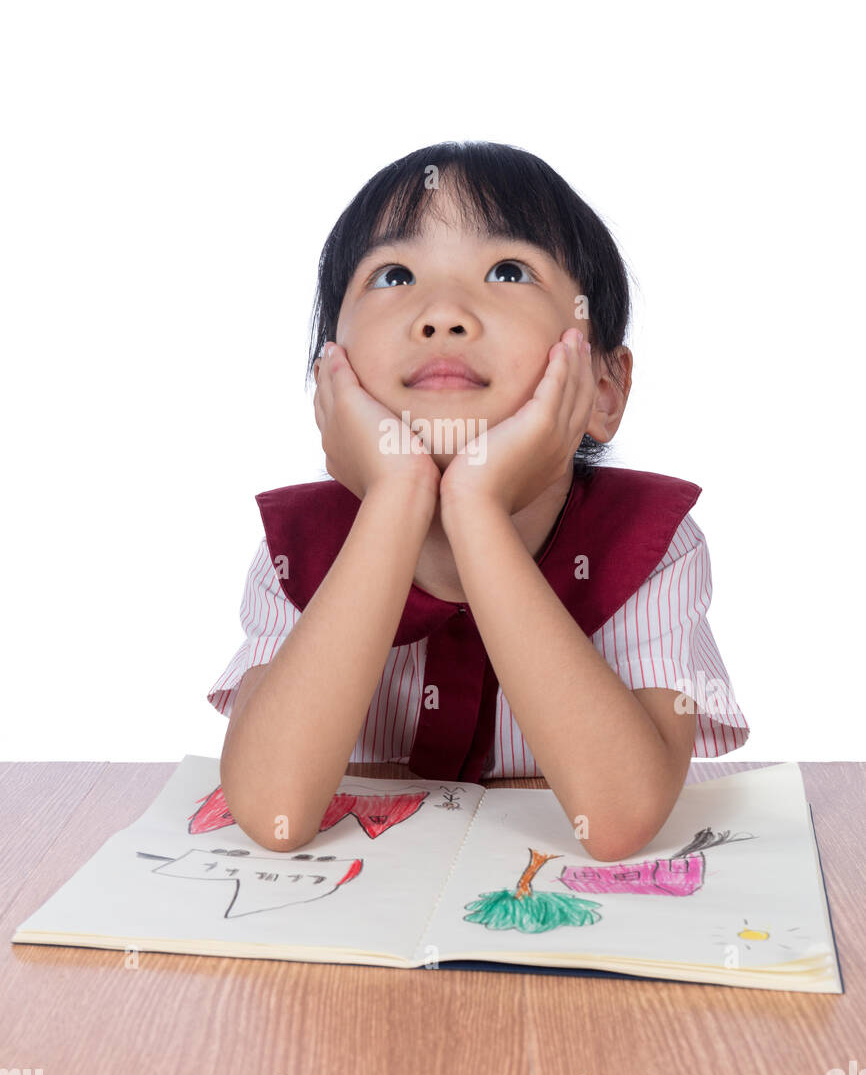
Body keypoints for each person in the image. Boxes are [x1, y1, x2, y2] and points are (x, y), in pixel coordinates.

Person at [208, 140, 748, 860]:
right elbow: (271, 812)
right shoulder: (296, 549)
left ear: (604, 388)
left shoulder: (649, 545)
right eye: (394, 275)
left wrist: (476, 509)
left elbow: (618, 821)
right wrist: (397, 495)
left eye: (508, 271)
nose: (443, 314)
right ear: (329, 382)